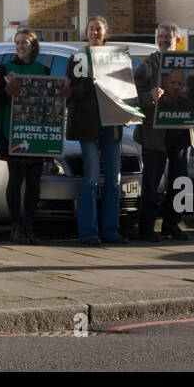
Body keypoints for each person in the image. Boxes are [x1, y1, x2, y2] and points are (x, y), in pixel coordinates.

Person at [65, 16, 127, 246]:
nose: (94, 33)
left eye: (98, 29)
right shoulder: (78, 57)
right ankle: (89, 233)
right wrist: (89, 83)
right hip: (88, 127)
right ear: (86, 32)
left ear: (105, 32)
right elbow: (71, 92)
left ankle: (112, 231)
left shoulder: (116, 58)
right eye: (91, 29)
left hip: (112, 126)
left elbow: (124, 90)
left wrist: (127, 114)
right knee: (90, 180)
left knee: (113, 181)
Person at [134, 21, 194, 240]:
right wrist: (148, 97)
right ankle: (147, 228)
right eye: (160, 36)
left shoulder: (190, 65)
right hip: (154, 134)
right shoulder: (147, 65)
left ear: (177, 40)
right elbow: (133, 95)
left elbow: (193, 96)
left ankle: (172, 224)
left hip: (181, 132)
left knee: (179, 182)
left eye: (167, 37)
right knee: (151, 182)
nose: (163, 40)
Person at [0, 29, 49, 243]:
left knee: (34, 182)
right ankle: (15, 226)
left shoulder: (43, 69)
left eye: (24, 42)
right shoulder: (5, 68)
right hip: (12, 132)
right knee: (15, 181)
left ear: (33, 45)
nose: (20, 46)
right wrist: (7, 91)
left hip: (36, 134)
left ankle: (29, 224)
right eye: (17, 43)